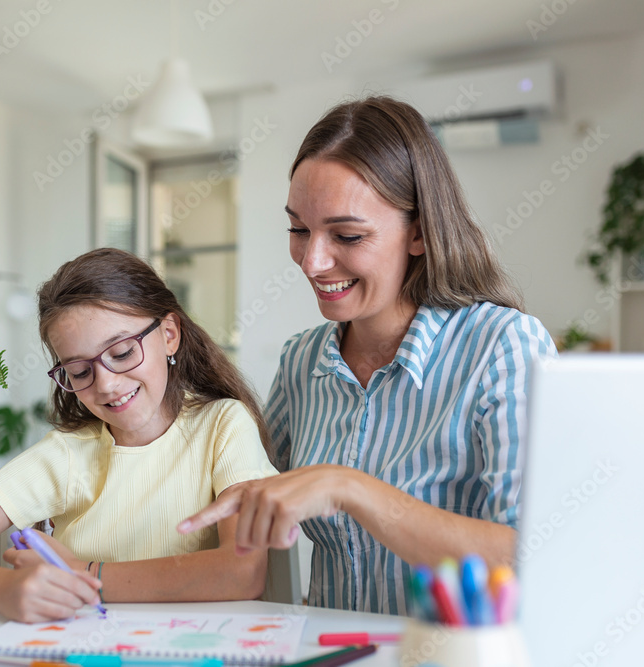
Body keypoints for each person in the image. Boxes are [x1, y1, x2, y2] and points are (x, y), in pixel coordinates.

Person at [178, 95, 557, 615]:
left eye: (347, 234)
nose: (312, 261)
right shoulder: (302, 362)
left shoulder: (503, 347)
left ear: (420, 233)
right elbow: (248, 506)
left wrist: (349, 488)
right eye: (298, 229)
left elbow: (534, 554)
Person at [0, 247, 278, 622]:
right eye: (81, 372)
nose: (106, 384)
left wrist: (84, 574)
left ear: (169, 334)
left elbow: (241, 572)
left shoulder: (223, 425)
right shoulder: (65, 455)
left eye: (121, 353)